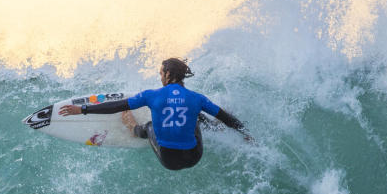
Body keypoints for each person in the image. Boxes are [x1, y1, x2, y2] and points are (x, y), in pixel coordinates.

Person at [58, 58, 247, 171]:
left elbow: (116, 106)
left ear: (168, 75)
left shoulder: (152, 96)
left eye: (161, 73)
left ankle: (133, 128)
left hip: (170, 160)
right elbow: (227, 118)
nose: (160, 76)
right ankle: (214, 128)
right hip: (194, 157)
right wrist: (246, 134)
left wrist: (82, 109)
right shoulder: (197, 98)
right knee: (196, 114)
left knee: (149, 126)